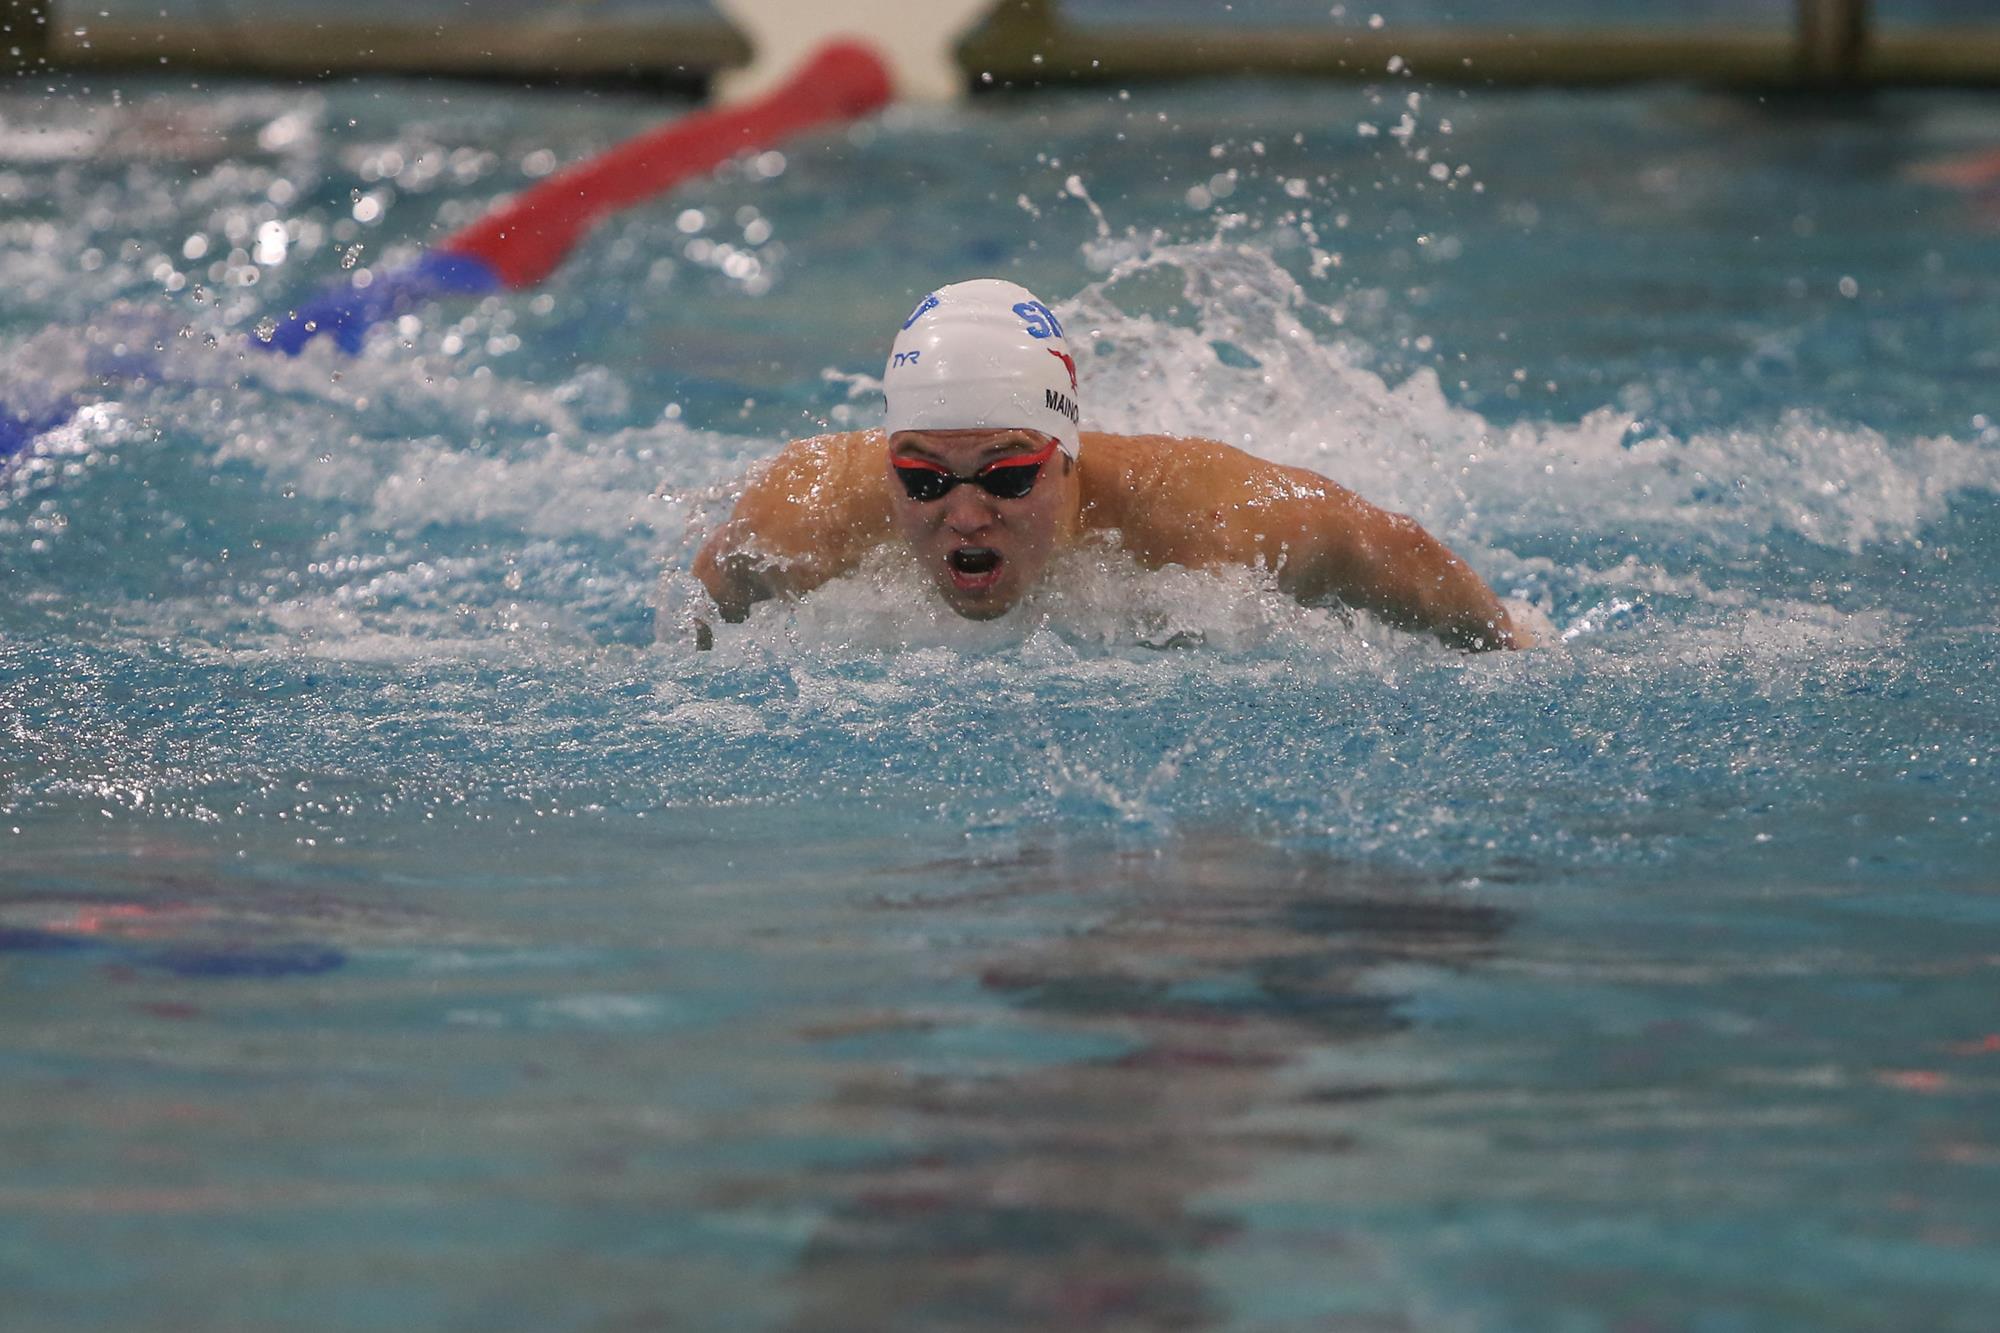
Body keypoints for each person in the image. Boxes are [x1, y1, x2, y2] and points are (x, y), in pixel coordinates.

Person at [693, 278, 1531, 651]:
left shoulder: (1213, 522)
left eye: (1007, 474)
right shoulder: (799, 520)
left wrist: (1513, 647)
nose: (966, 512)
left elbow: (1387, 547)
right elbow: (702, 607)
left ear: (1062, 457)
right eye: (924, 479)